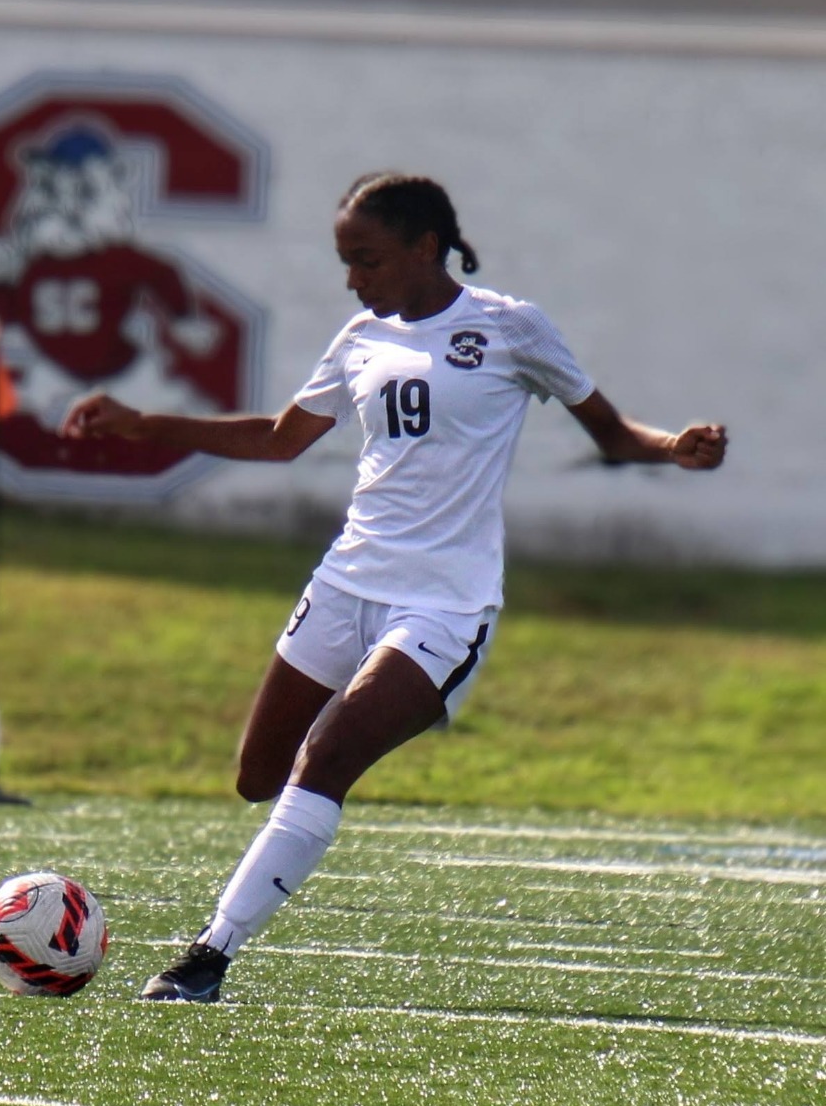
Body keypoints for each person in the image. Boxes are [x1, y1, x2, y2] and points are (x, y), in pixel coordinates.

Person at [61, 172, 727, 1003]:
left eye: (367, 259)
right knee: (258, 775)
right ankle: (276, 864)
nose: (354, 278)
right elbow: (279, 439)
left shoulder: (510, 328)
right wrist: (144, 423)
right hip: (347, 582)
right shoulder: (359, 339)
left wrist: (672, 446)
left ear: (426, 248)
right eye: (346, 261)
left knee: (327, 755)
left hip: (444, 602)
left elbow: (609, 431)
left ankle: (207, 957)